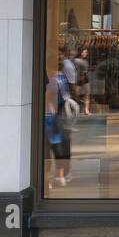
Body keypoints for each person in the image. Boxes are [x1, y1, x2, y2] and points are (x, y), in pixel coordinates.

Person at [45, 51, 75, 188]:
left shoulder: (60, 78)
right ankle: (51, 177)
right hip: (50, 117)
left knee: (59, 147)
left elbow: (65, 96)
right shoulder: (50, 78)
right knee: (50, 148)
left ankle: (59, 175)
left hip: (56, 117)